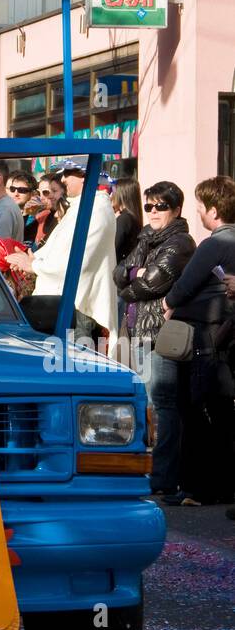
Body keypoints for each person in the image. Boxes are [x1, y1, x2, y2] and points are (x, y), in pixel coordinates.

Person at [113, 181, 196, 497]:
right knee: (143, 406)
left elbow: (154, 282)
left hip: (158, 336)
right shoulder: (144, 238)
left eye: (161, 206)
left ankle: (162, 478)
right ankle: (147, 472)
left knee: (162, 406)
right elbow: (119, 271)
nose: (153, 212)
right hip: (134, 332)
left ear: (176, 209)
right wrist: (136, 275)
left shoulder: (180, 242)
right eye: (149, 206)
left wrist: (131, 280)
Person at [162, 175, 235, 506]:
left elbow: (183, 287)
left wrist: (167, 304)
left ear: (214, 211)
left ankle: (199, 488)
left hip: (204, 339)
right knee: (221, 415)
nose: (200, 213)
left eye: (201, 208)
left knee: (196, 414)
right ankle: (221, 486)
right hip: (224, 336)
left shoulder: (215, 244)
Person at [7, 158, 118, 352]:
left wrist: (33, 265)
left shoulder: (97, 209)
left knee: (74, 374)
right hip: (64, 308)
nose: (63, 179)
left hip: (78, 311)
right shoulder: (83, 206)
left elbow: (78, 261)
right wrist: (32, 259)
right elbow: (58, 249)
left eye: (68, 174)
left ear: (85, 176)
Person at [31, 171, 66, 247]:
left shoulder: (69, 217)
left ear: (64, 191)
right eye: (39, 193)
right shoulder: (42, 216)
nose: (41, 197)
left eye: (46, 192)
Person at [111, 176, 142, 265]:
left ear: (121, 195)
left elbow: (112, 248)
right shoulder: (133, 217)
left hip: (120, 270)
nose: (111, 196)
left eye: (113, 192)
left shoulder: (124, 219)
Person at [7, 169, 41, 244]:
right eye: (12, 189)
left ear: (33, 193)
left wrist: (27, 215)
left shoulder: (40, 215)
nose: (16, 193)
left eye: (21, 190)